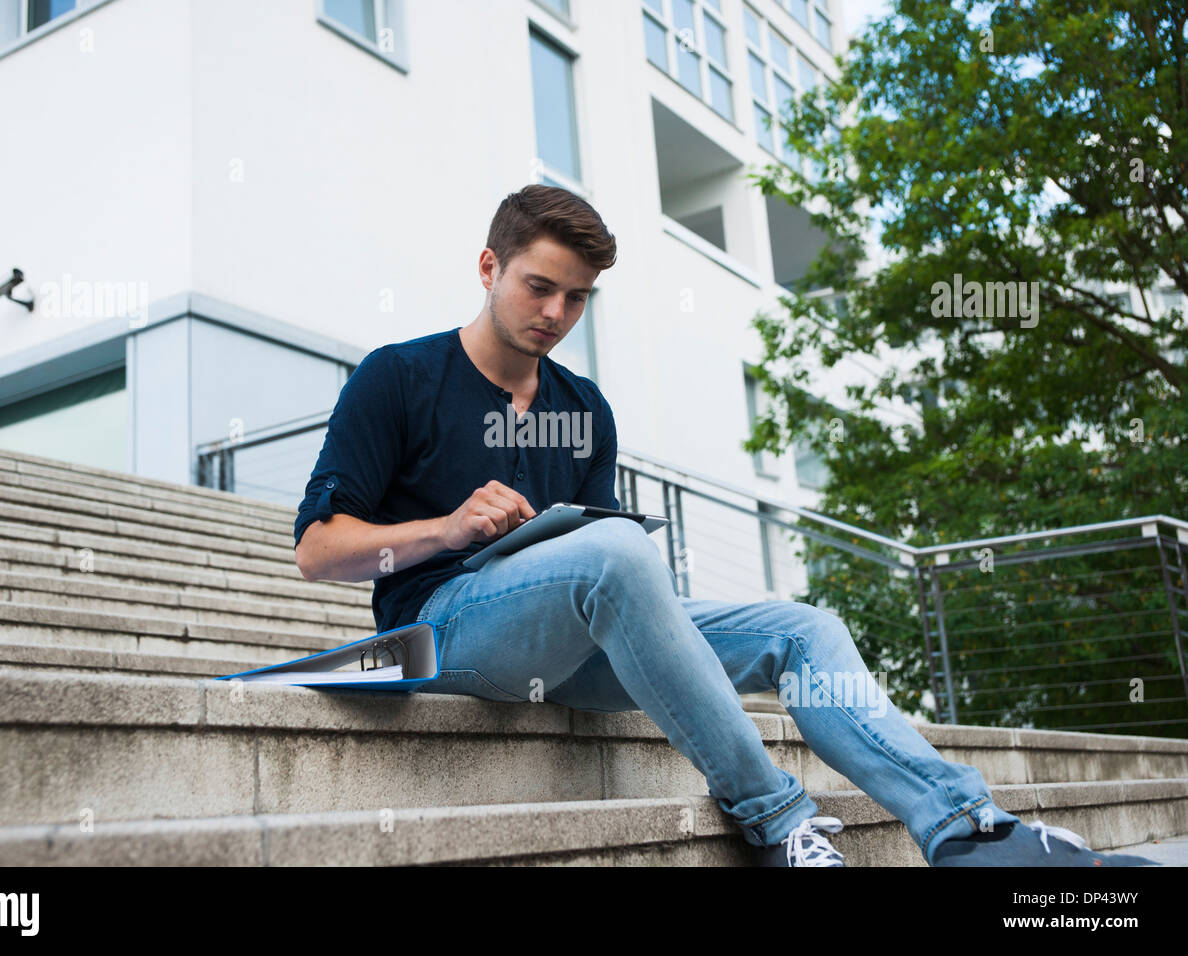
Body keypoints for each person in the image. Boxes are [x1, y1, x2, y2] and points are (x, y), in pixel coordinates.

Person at [293, 184, 1157, 868]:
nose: (555, 312)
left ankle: (966, 827)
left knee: (803, 627)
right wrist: (446, 528)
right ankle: (779, 819)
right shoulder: (398, 377)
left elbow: (596, 545)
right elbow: (316, 553)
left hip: (571, 641)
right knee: (615, 552)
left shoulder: (585, 408)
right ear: (488, 266)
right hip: (441, 626)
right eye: (538, 286)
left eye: (578, 298)